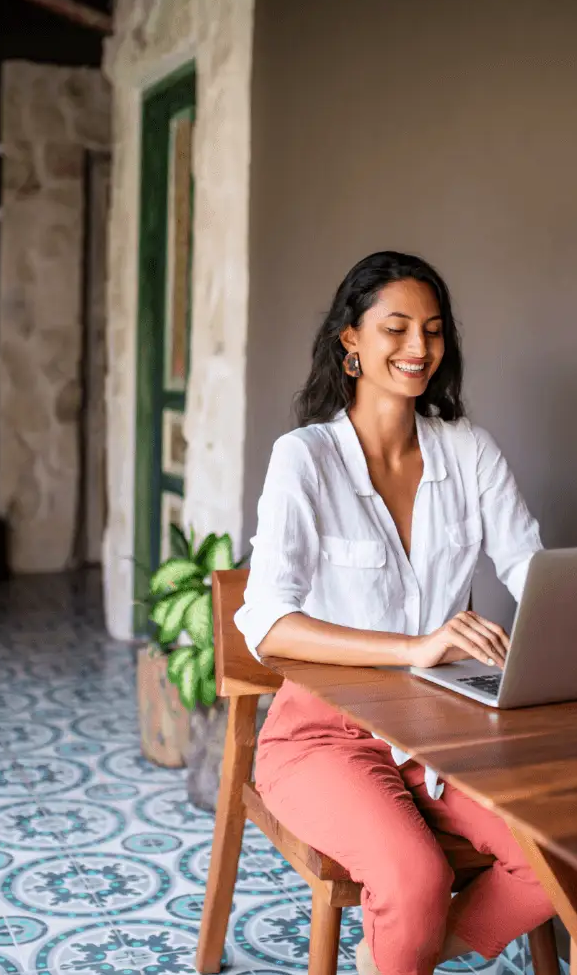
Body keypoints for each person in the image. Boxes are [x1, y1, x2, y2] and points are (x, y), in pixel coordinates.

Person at [235, 251, 554, 975]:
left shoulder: (468, 451)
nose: (420, 349)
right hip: (322, 738)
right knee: (416, 880)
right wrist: (416, 646)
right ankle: (401, 948)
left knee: (557, 852)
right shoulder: (305, 459)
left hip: (446, 732)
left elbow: (533, 569)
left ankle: (402, 958)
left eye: (434, 331)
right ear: (350, 339)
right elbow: (266, 625)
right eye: (397, 328)